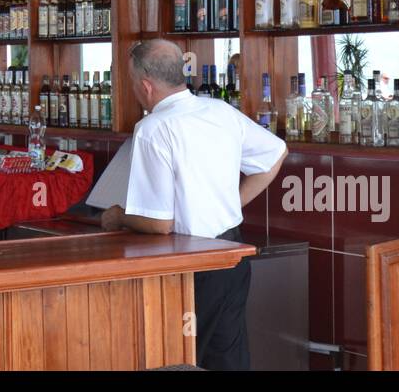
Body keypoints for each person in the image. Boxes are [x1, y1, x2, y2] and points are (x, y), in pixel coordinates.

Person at [100, 39, 286, 370]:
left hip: (192, 267)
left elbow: (160, 224)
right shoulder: (219, 110)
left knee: (181, 359)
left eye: (130, 82)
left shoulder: (153, 129)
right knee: (227, 360)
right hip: (232, 254)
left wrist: (119, 217)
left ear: (145, 86)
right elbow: (275, 155)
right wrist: (233, 202)